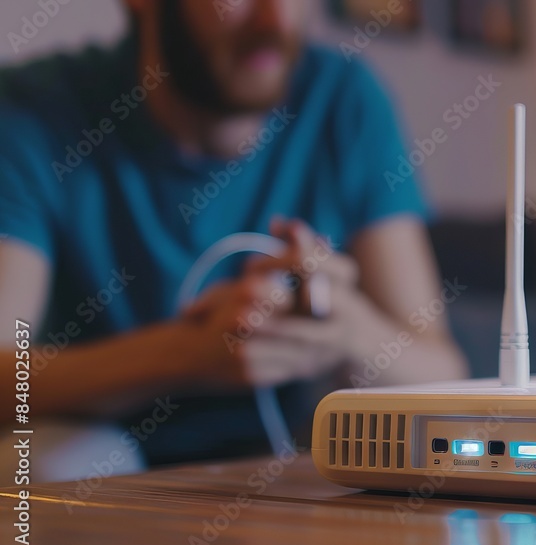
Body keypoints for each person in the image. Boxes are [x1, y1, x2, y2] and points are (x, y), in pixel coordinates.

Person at [0, 0, 468, 480]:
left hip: (286, 469)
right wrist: (187, 353)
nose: (275, 20)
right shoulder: (33, 110)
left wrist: (345, 332)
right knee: (44, 463)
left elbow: (442, 371)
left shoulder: (346, 100)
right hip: (100, 460)